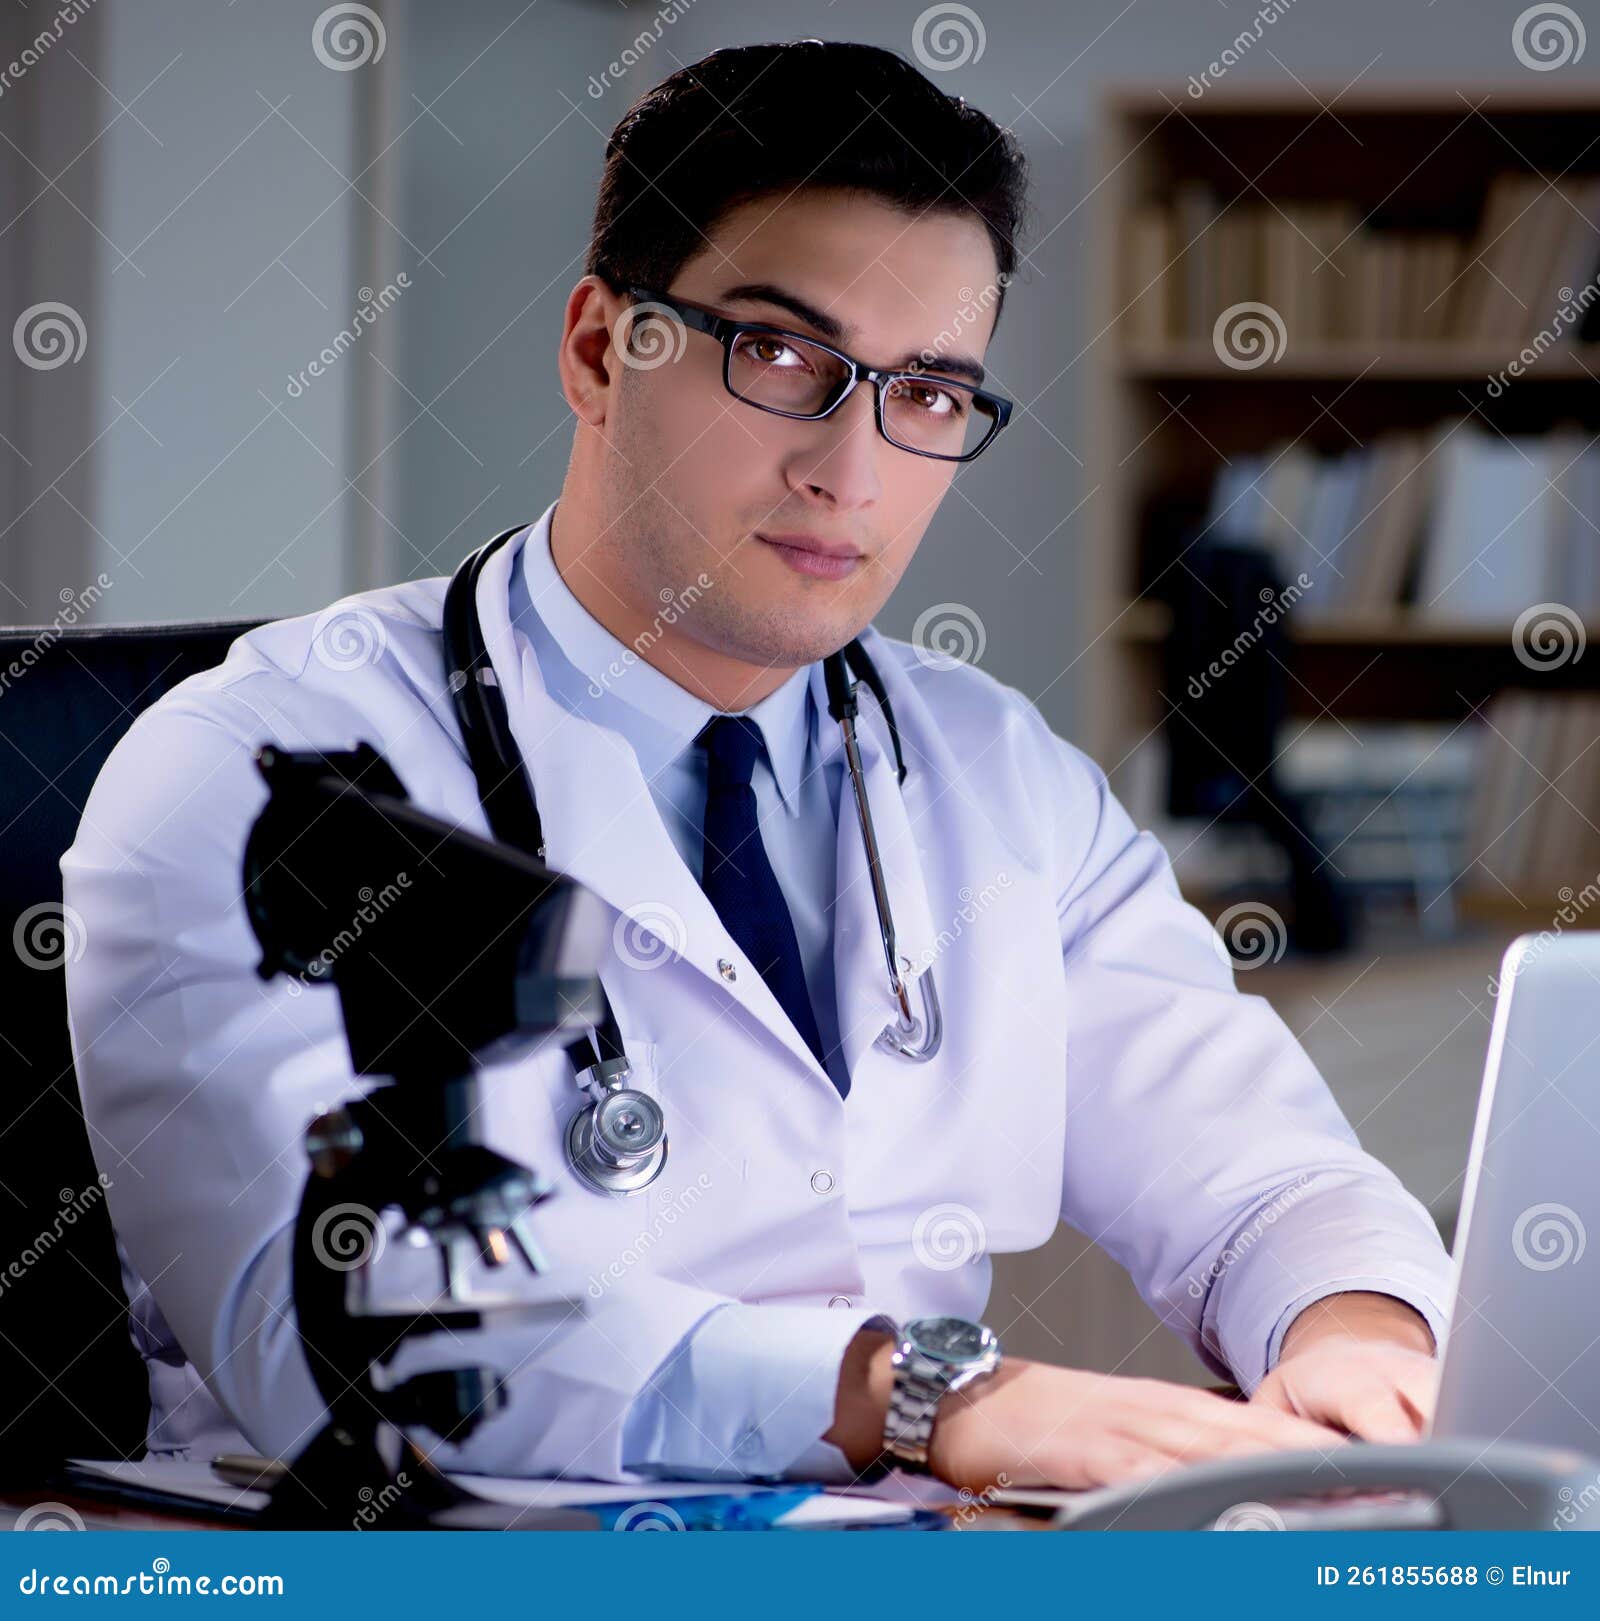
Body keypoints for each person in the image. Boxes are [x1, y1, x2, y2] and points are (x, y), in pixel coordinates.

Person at [64, 38, 1449, 1493]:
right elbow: (357, 1320)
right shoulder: (261, 777)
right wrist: (914, 1399)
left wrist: (1351, 1331)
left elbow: (1262, 1173)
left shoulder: (998, 775)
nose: (850, 470)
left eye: (926, 392)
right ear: (602, 348)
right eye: (782, 355)